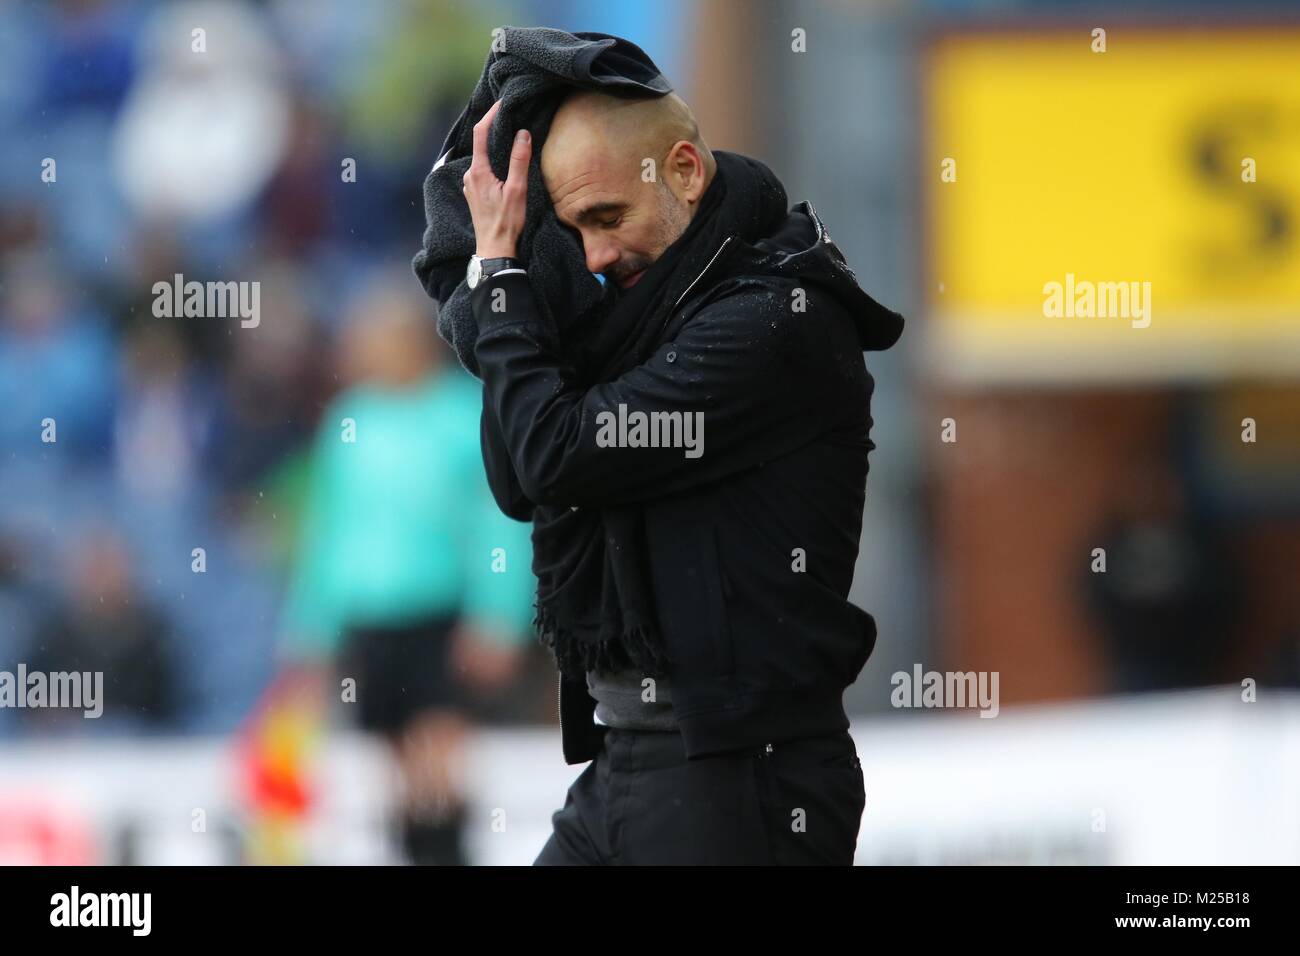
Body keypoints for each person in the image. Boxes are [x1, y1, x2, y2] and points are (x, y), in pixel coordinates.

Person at [460, 89, 903, 865]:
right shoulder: (642, 318)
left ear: (686, 171)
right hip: (626, 758)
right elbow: (519, 482)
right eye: (571, 233)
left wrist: (500, 280)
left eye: (606, 217)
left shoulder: (777, 316)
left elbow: (555, 453)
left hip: (742, 777)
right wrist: (517, 282)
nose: (593, 257)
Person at [276, 271, 536, 865]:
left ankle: (445, 854)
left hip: (437, 615)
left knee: (437, 760)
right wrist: (310, 635)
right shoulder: (353, 421)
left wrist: (497, 617)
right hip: (372, 620)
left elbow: (499, 526)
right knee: (394, 766)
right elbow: (328, 535)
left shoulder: (459, 415)